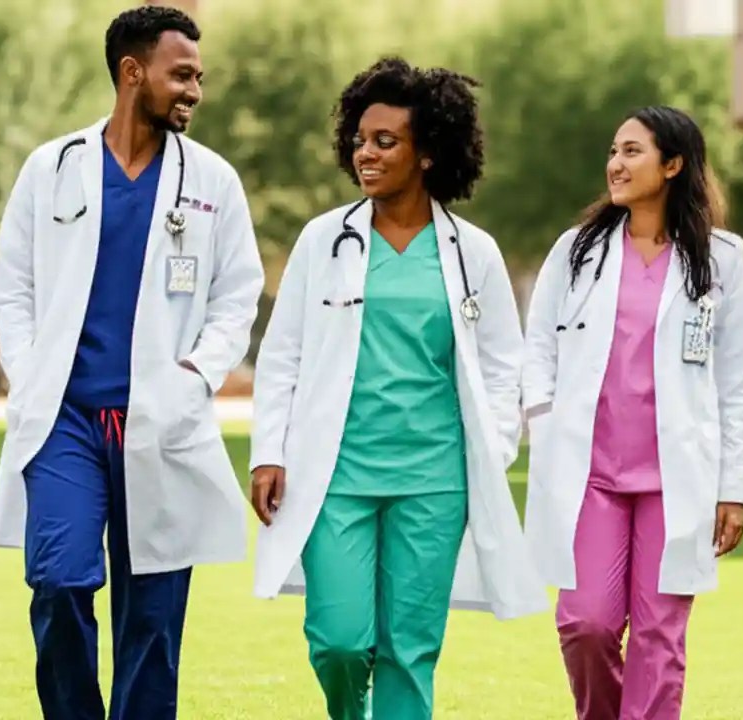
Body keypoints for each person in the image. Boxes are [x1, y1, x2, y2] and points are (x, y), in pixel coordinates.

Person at [248, 57, 547, 720]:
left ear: (429, 152)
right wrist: (269, 451)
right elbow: (282, 354)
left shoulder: (473, 252)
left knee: (410, 649)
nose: (366, 153)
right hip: (336, 475)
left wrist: (495, 447)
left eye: (385, 141)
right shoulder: (324, 241)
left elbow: (505, 364)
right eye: (360, 139)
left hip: (433, 479)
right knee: (339, 642)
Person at [0, 7, 263, 719]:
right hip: (66, 421)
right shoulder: (51, 169)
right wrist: (29, 372)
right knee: (59, 583)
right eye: (182, 75)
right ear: (132, 72)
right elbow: (12, 290)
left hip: (161, 421)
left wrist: (194, 376)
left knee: (153, 617)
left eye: (198, 77)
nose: (194, 91)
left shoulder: (213, 181)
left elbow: (238, 296)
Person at [521, 106, 743, 720]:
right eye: (614, 151)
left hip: (676, 482)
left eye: (632, 151)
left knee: (659, 638)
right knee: (586, 624)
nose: (616, 164)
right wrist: (545, 424)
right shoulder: (577, 251)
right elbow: (538, 347)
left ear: (673, 165)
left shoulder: (722, 259)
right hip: (592, 475)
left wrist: (735, 489)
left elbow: (738, 380)